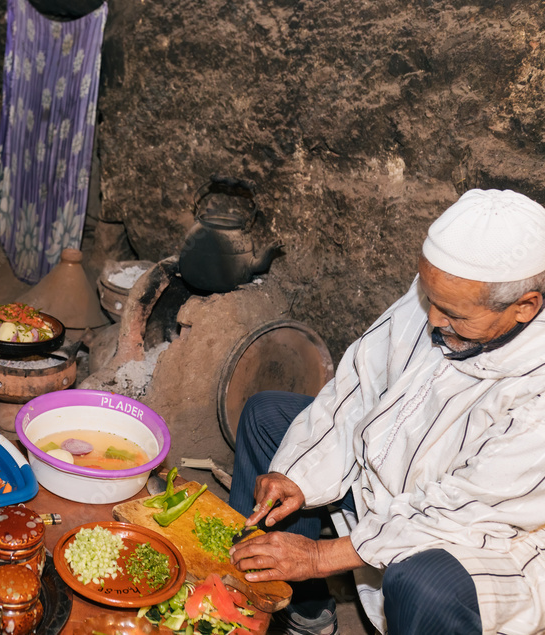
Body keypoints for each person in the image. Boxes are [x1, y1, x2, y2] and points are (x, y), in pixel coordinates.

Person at [228, 188, 545, 635]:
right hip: (394, 478)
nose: (433, 319)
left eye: (453, 313)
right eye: (429, 297)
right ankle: (288, 603)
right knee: (267, 417)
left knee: (424, 582)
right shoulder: (442, 299)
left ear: (524, 307)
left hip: (487, 535)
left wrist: (319, 556)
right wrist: (298, 474)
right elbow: (358, 386)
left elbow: (462, 511)